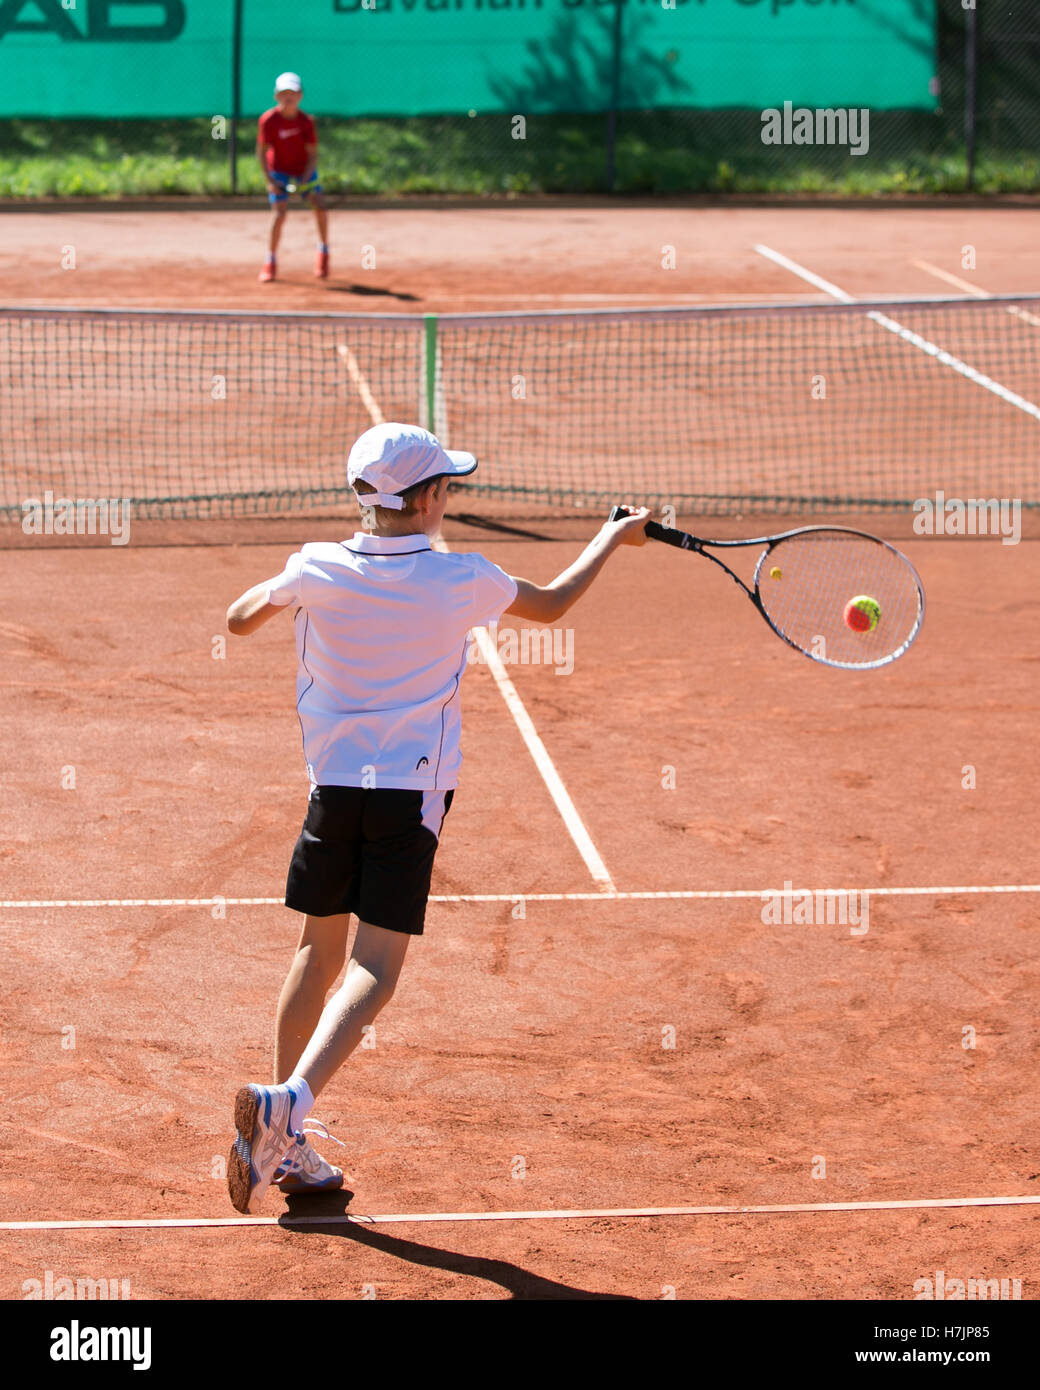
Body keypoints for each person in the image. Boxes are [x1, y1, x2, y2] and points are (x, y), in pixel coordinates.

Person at [224, 422, 649, 1213]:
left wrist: (288, 593)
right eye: (447, 486)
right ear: (424, 500)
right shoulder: (463, 579)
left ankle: (280, 1146)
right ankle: (289, 1106)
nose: (449, 496)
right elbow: (553, 605)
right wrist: (612, 538)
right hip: (409, 797)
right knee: (375, 968)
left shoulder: (317, 566)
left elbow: (238, 618)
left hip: (333, 791)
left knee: (316, 952)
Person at [256, 72, 329, 283]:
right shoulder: (268, 120)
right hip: (278, 170)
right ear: (276, 96)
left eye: (293, 92)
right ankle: (270, 260)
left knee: (321, 207)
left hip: (303, 169)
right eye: (284, 92)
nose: (289, 97)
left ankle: (323, 252)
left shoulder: (306, 121)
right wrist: (270, 181)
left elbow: (313, 154)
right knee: (279, 215)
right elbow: (261, 152)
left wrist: (305, 180)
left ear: (300, 95)